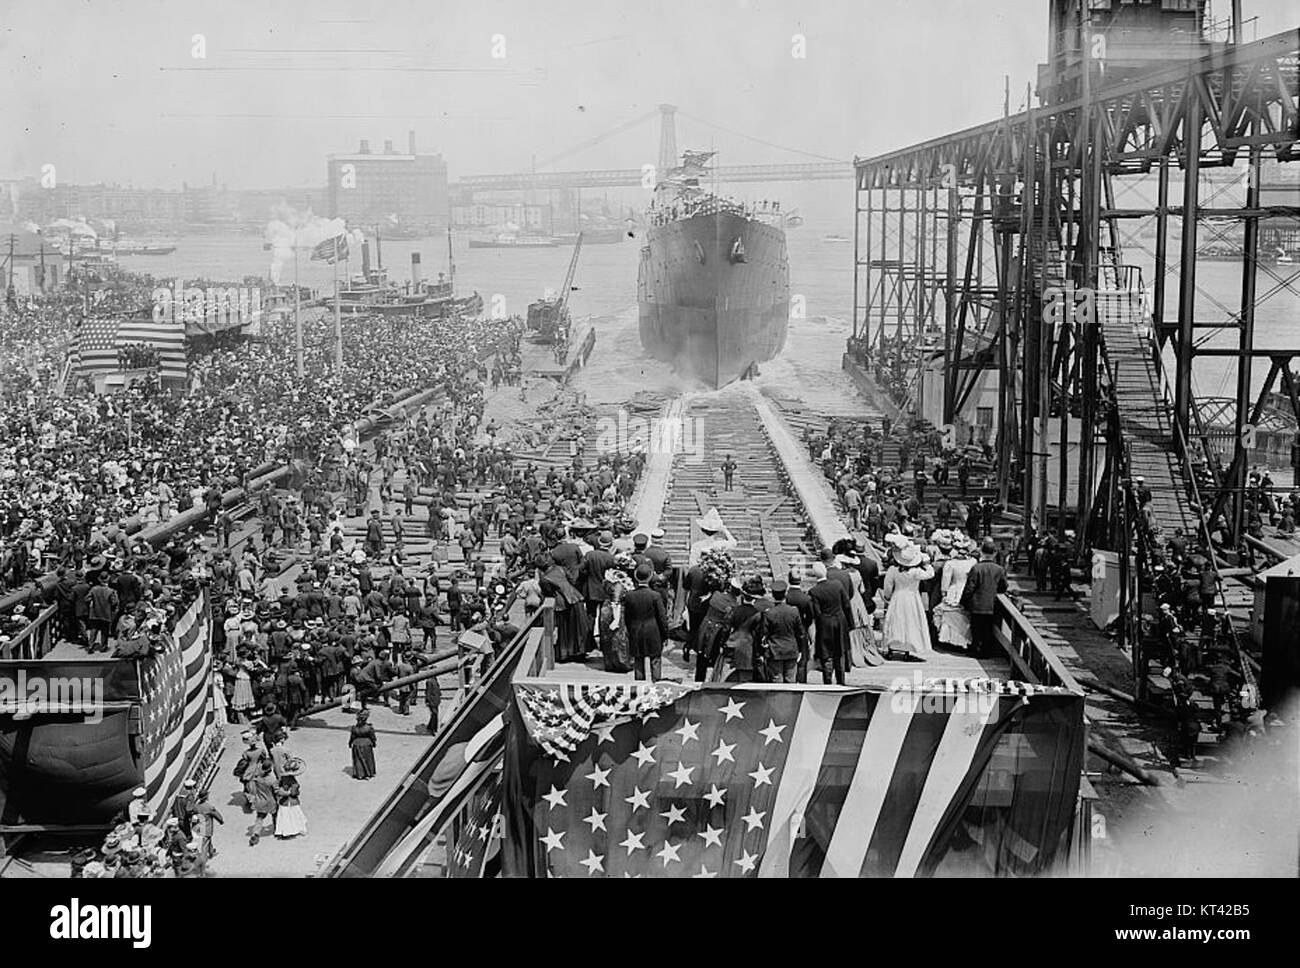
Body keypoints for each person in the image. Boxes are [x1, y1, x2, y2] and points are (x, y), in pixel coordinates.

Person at [880, 542, 935, 660]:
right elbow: (930, 574)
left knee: (895, 621)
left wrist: (887, 596)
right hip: (912, 597)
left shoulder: (893, 570)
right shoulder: (916, 572)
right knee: (911, 622)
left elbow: (888, 586)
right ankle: (908, 648)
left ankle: (891, 645)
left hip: (898, 596)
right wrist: (926, 563)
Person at [963, 539, 1008, 659]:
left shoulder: (976, 568)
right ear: (994, 554)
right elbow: (1003, 587)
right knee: (988, 629)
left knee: (976, 629)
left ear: (982, 552)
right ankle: (987, 651)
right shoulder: (999, 569)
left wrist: (964, 601)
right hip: (991, 605)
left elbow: (969, 588)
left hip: (976, 604)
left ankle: (976, 650)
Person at [623, 563, 668, 681]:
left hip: (635, 630)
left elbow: (626, 617)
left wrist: (629, 631)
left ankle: (639, 689)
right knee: (655, 661)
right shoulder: (655, 596)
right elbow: (662, 617)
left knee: (638, 661)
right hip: (653, 631)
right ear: (650, 577)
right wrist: (665, 634)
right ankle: (657, 686)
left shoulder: (629, 596)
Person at [808, 561, 850, 685]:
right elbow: (846, 604)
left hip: (825, 624)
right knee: (840, 652)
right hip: (840, 621)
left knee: (827, 655)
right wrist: (849, 623)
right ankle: (841, 681)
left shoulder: (814, 591)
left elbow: (816, 612)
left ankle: (827, 682)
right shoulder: (837, 585)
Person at [763, 579, 807, 683]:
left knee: (776, 681)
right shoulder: (794, 611)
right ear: (785, 594)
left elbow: (764, 634)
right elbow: (800, 633)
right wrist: (801, 650)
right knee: (790, 681)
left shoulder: (769, 613)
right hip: (791, 650)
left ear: (773, 595)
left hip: (775, 651)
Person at [274, 759, 307, 839]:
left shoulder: (282, 777)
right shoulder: (293, 782)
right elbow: (293, 793)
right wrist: (294, 792)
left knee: (285, 816)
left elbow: (276, 786)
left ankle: (285, 832)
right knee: (294, 815)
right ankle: (291, 831)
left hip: (283, 801)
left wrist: (281, 792)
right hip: (291, 801)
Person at [350, 708, 378, 780]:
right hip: (367, 744)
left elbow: (352, 737)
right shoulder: (369, 728)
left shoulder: (354, 728)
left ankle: (359, 774)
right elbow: (373, 737)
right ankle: (369, 773)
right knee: (368, 759)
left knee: (358, 760)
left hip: (356, 744)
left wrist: (350, 743)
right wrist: (374, 743)